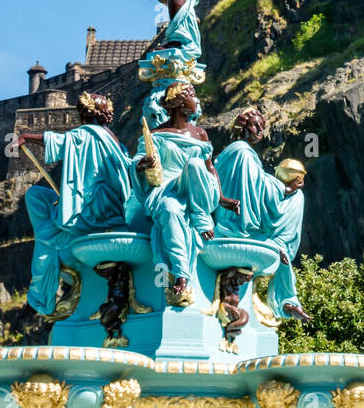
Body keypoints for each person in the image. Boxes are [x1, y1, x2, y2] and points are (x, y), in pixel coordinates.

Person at [16, 93, 135, 316]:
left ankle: (42, 293)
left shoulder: (84, 135)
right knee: (38, 197)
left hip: (91, 214)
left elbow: (58, 141)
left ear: (84, 115)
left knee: (40, 212)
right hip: (113, 210)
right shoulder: (113, 140)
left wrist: (26, 136)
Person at [133, 81, 231, 307]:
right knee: (169, 209)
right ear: (180, 103)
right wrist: (142, 165)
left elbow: (210, 169)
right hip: (168, 191)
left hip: (197, 189)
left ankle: (200, 217)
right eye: (193, 96)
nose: (197, 101)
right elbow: (137, 160)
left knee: (195, 164)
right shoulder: (157, 134)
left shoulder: (200, 134)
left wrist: (221, 198)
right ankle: (181, 272)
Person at [212, 109, 310, 322]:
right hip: (234, 225)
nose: (260, 131)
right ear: (242, 126)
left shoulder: (244, 154)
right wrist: (283, 190)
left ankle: (287, 301)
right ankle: (285, 300)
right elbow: (257, 184)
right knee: (292, 200)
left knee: (296, 203)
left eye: (262, 127)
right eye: (255, 125)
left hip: (241, 227)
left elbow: (259, 182)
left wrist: (288, 190)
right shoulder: (241, 151)